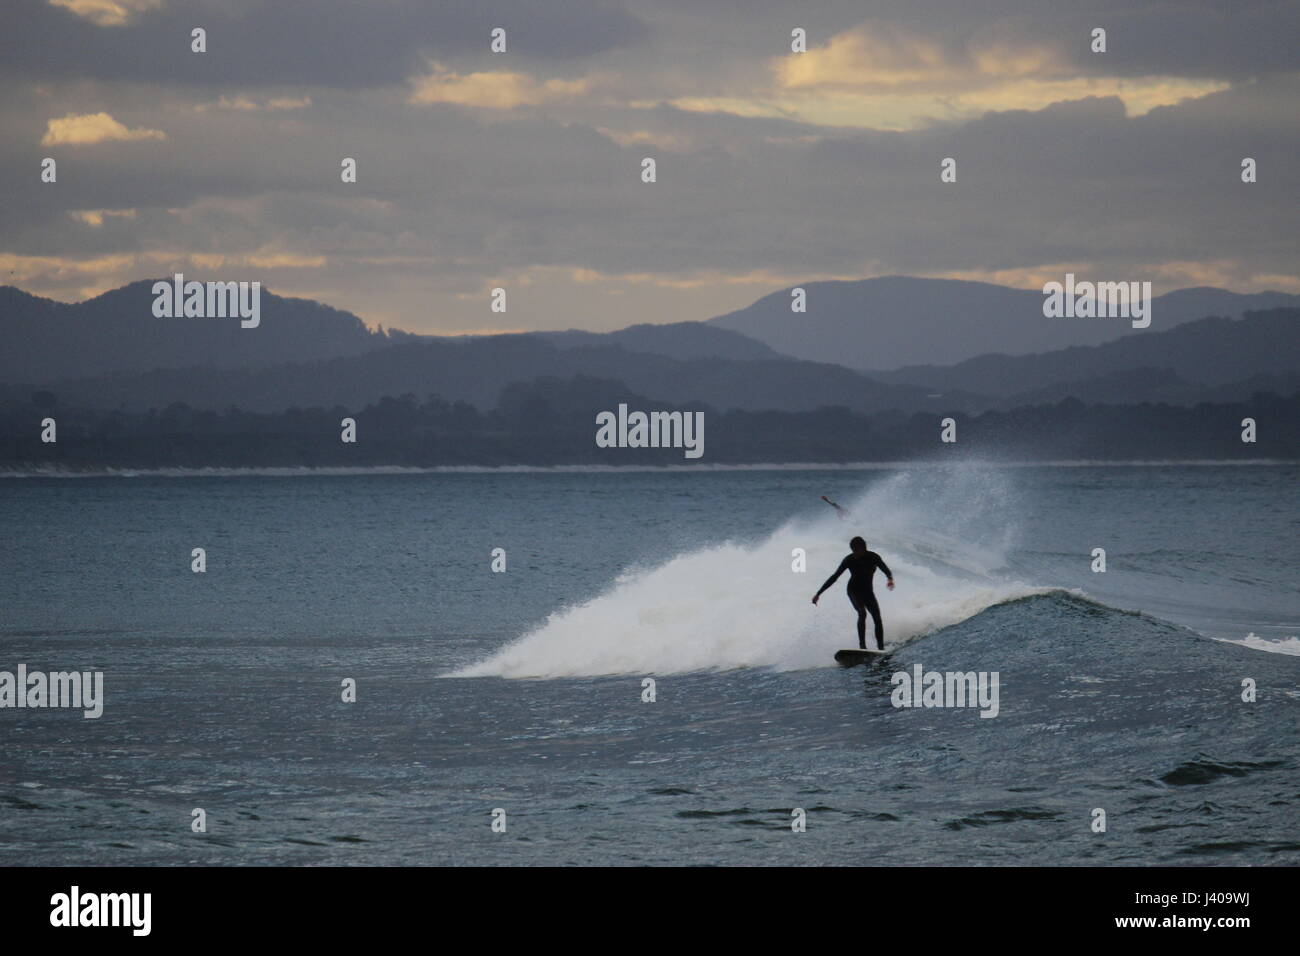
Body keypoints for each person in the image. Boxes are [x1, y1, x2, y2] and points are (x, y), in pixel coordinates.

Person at [811, 536, 894, 650]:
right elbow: (834, 577)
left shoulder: (873, 557)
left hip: (868, 592)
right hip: (853, 591)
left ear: (863, 549)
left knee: (877, 619)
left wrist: (889, 578)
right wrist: (818, 593)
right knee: (862, 613)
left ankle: (880, 648)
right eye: (853, 550)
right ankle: (862, 647)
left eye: (857, 550)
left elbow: (884, 568)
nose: (855, 553)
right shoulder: (849, 560)